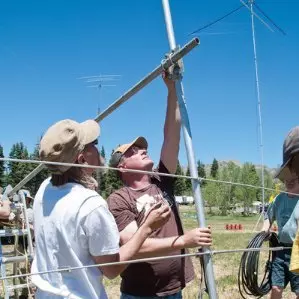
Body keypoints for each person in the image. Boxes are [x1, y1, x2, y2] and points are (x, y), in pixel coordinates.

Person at [31, 119, 171, 299]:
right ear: (82, 159)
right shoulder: (90, 204)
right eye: (93, 144)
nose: (98, 148)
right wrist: (147, 228)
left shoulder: (44, 189)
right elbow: (111, 270)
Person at [107, 74, 212, 299]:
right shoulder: (118, 199)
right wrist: (184, 241)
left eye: (141, 147)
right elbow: (134, 246)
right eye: (132, 151)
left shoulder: (161, 181)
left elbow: (171, 137)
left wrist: (171, 89)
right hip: (141, 293)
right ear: (122, 167)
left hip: (175, 290)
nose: (142, 150)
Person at [262, 126, 299, 299]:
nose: (289, 182)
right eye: (286, 180)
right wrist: (265, 230)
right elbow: (269, 217)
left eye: (294, 179)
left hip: (298, 252)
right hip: (281, 250)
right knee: (276, 287)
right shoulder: (279, 199)